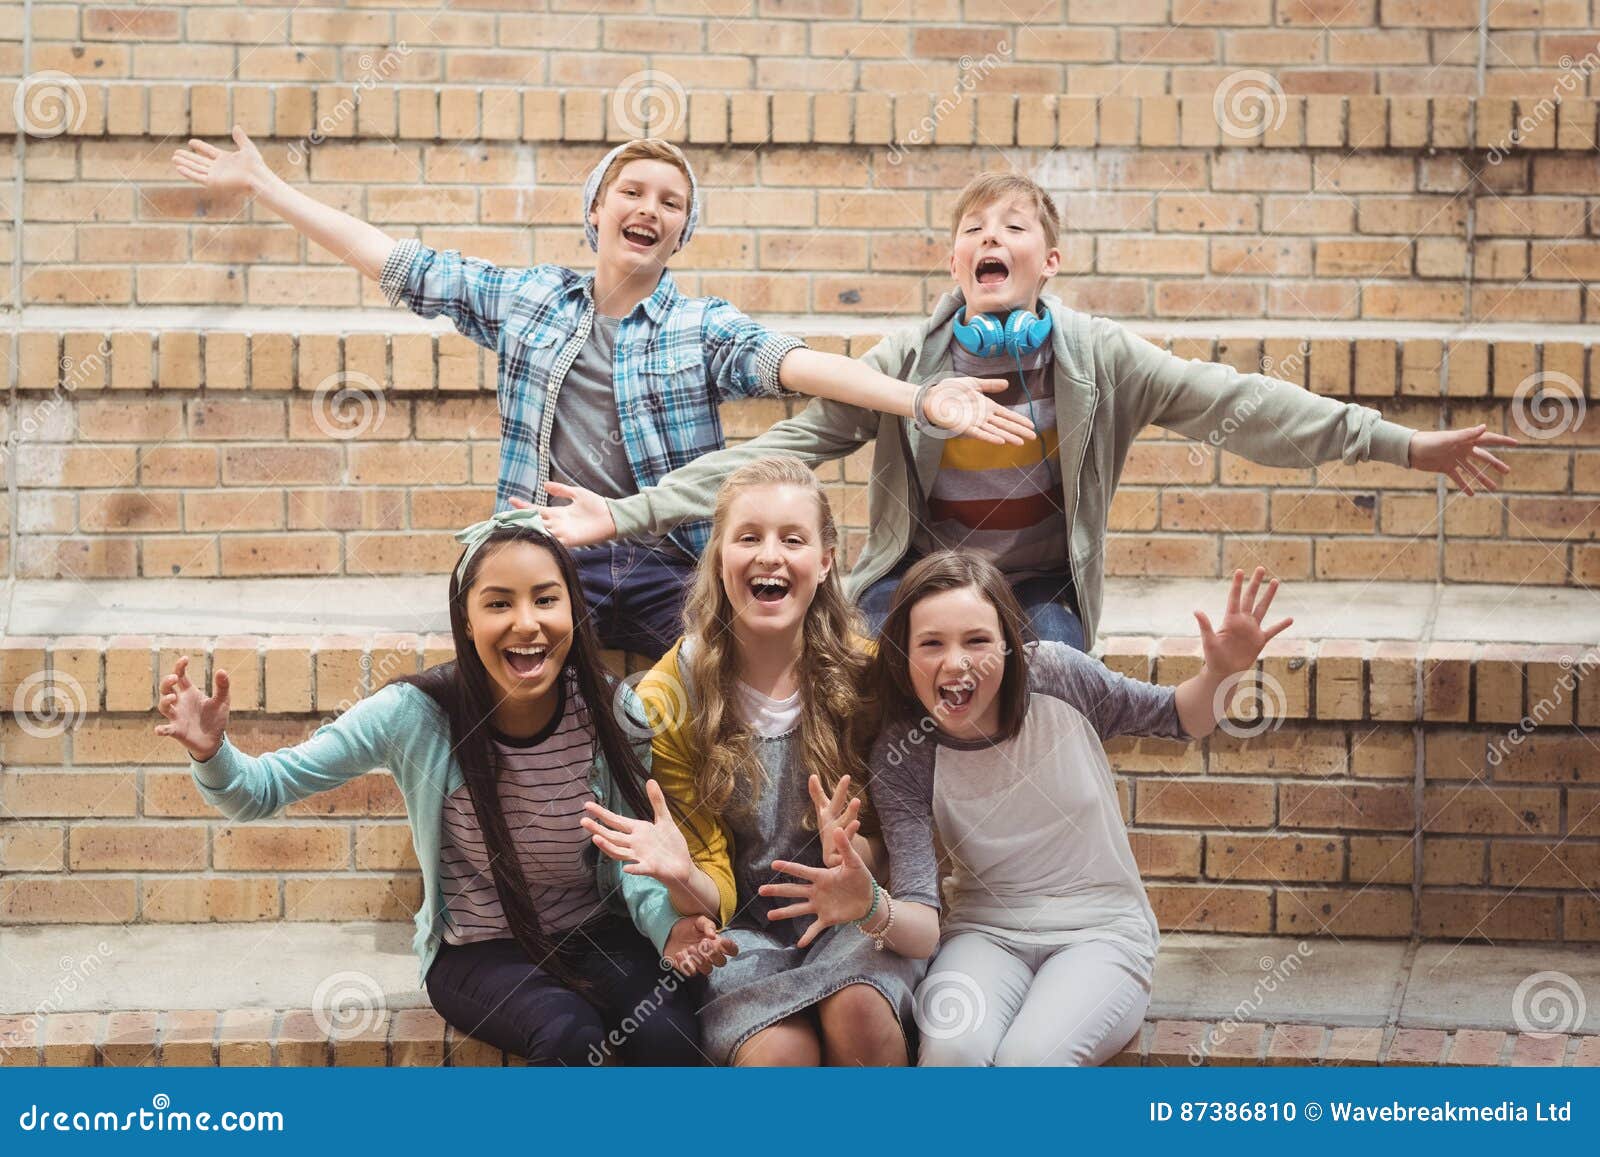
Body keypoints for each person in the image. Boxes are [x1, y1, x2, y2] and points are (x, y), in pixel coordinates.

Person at [534, 170, 1515, 649]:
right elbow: (780, 447)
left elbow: (1243, 404)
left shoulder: (1102, 360)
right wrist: (622, 513)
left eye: (1012, 229)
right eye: (972, 230)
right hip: (913, 582)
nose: (988, 239)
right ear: (952, 263)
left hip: (1038, 591)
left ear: (1052, 263)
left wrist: (1405, 445)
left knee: (1048, 690)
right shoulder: (903, 367)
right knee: (853, 680)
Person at [171, 134, 1032, 658]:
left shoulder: (698, 325)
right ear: (598, 212)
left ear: (680, 234)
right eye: (632, 192)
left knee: (731, 676)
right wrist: (266, 188)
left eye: (671, 203)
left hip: (668, 560)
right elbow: (398, 262)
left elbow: (800, 365)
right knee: (509, 665)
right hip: (550, 554)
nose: (649, 208)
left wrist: (918, 399)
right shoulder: (528, 300)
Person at [153, 507, 735, 1065]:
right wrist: (213, 753)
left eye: (546, 599)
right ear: (466, 620)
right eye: (498, 603)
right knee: (568, 1033)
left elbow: (634, 865)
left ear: (574, 610)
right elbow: (262, 790)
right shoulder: (416, 715)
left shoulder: (614, 712)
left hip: (596, 934)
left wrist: (668, 928)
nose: (527, 622)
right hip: (478, 952)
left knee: (670, 1034)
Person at [764, 552, 1290, 1066]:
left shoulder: (1057, 677)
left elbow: (1181, 717)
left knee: (1029, 1062)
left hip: (1101, 932)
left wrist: (1220, 673)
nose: (956, 662)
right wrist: (870, 904)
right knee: (952, 1052)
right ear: (903, 657)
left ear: (1010, 646)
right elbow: (923, 927)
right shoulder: (905, 750)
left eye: (977, 641)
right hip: (985, 933)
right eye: (931, 644)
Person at [583, 456, 926, 1065]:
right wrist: (679, 876)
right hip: (744, 936)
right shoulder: (670, 696)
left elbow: (896, 843)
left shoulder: (870, 676)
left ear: (824, 562)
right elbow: (708, 884)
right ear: (719, 558)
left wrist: (854, 859)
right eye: (749, 538)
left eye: (792, 539)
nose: (770, 555)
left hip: (852, 919)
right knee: (777, 1060)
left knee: (860, 1015)